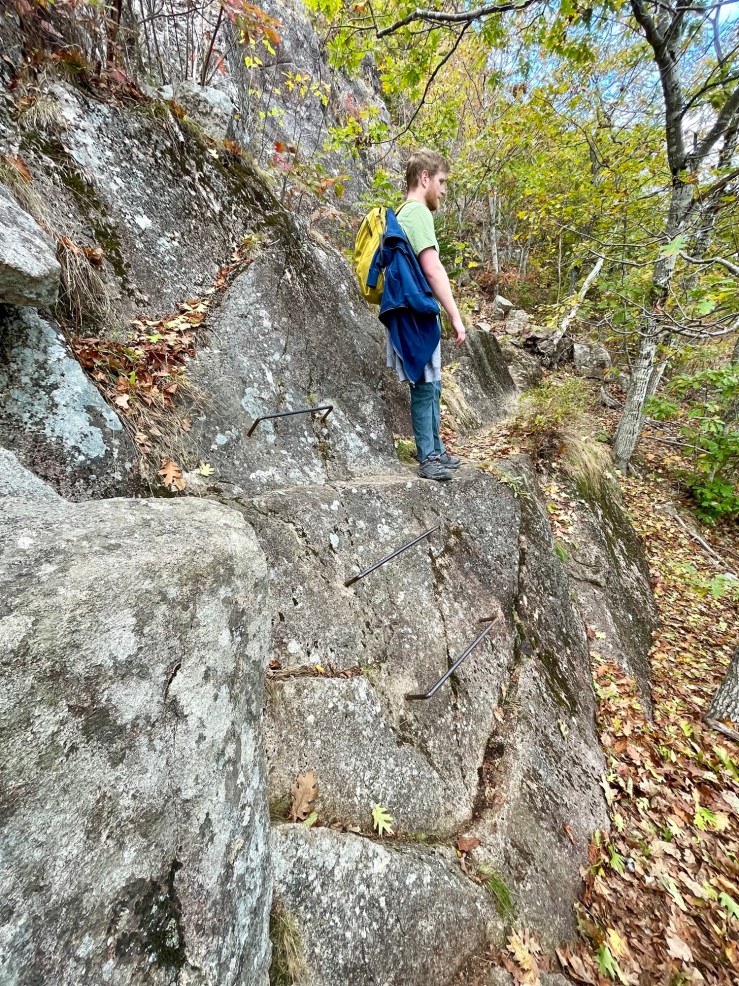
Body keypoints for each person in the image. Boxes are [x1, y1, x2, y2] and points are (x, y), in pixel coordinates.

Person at [387, 149, 466, 481]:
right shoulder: (418, 213)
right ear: (424, 178)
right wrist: (455, 315)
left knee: (431, 385)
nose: (444, 190)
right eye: (442, 181)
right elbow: (432, 269)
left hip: (409, 312)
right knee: (424, 385)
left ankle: (436, 449)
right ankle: (428, 457)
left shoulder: (404, 213)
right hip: (415, 314)